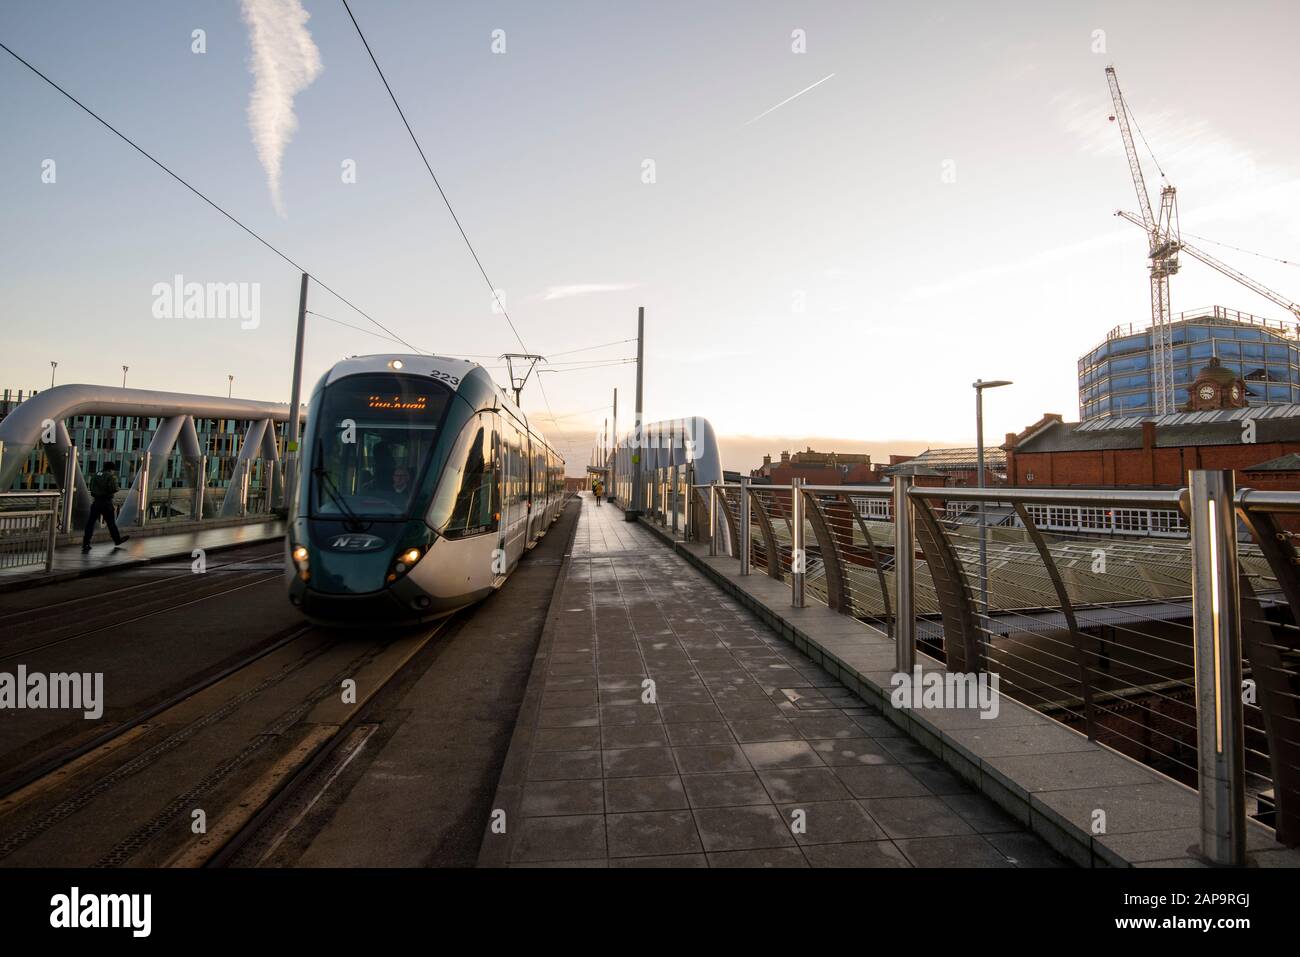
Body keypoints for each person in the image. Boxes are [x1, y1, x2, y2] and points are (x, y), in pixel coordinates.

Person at [82, 462, 130, 552]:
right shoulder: (110, 476)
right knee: (111, 523)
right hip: (106, 502)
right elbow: (114, 488)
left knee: (90, 523)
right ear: (111, 469)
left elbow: (91, 487)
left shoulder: (96, 475)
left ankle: (86, 543)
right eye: (113, 470)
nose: (113, 472)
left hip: (96, 502)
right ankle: (117, 540)